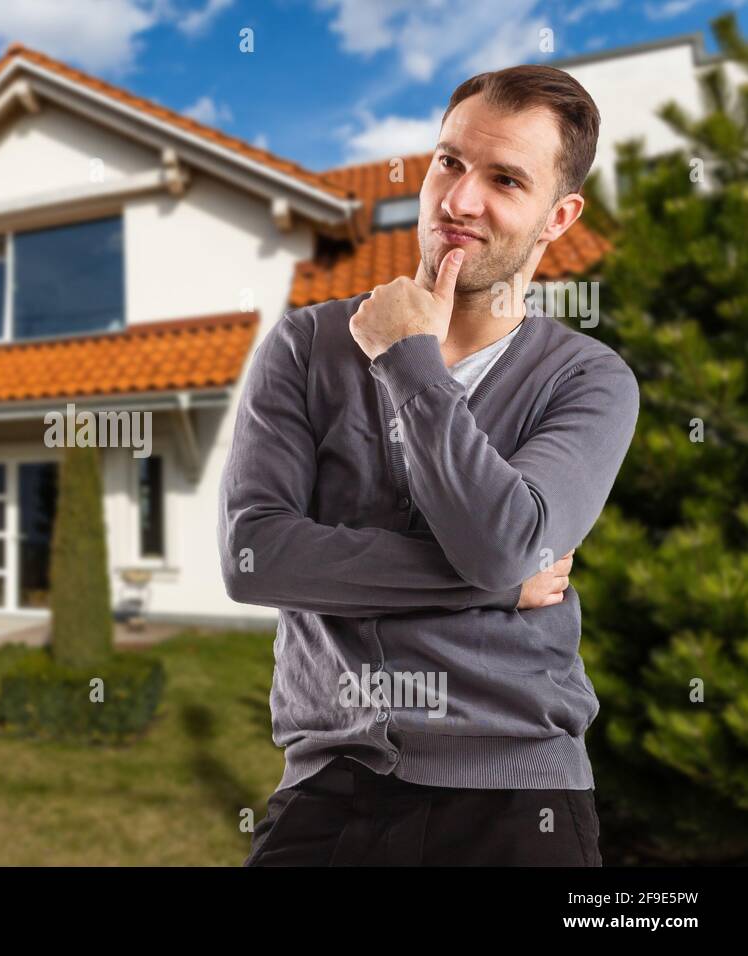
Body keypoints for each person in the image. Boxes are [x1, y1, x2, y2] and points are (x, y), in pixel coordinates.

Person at [218, 64, 639, 866]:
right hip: (328, 786)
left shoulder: (589, 379)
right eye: (450, 162)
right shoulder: (306, 346)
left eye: (505, 179)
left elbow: (505, 540)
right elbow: (254, 556)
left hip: (518, 797)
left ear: (559, 216)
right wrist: (496, 583)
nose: (459, 200)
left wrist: (410, 359)